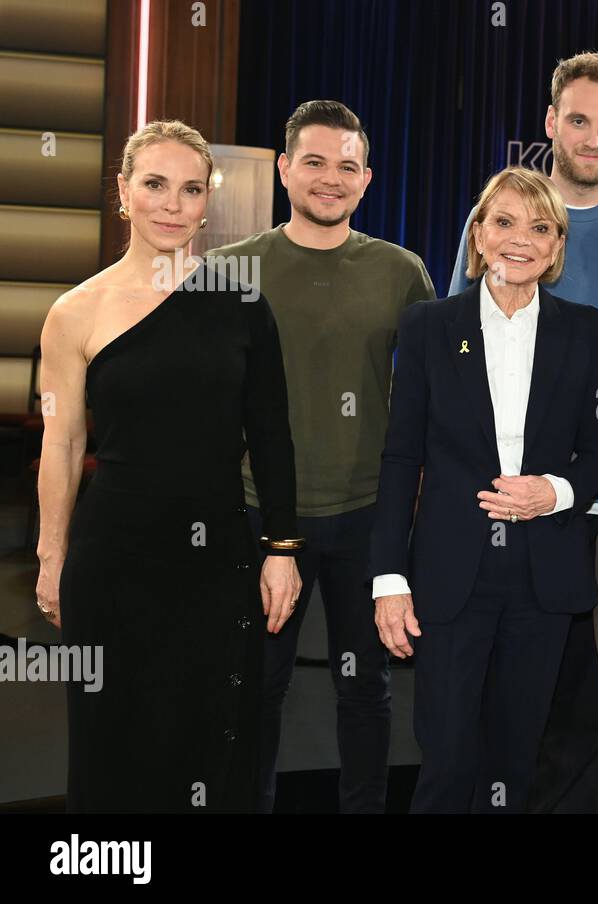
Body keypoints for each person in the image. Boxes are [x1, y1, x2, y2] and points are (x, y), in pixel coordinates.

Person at [35, 120, 301, 812]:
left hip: (216, 559)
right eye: (154, 184)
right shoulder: (73, 313)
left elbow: (272, 437)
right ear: (123, 193)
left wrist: (281, 547)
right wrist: (50, 555)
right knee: (111, 738)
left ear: (206, 202)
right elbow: (61, 444)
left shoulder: (244, 304)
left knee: (210, 736)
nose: (171, 204)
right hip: (112, 555)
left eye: (189, 189)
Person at [209, 100, 435, 815]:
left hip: (367, 515)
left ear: (366, 180)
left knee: (365, 690)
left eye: (346, 166)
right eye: (314, 162)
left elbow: (439, 390)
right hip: (256, 513)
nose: (329, 178)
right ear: (284, 169)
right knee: (258, 687)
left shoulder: (401, 272)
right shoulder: (224, 270)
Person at [369, 167, 598, 813]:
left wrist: (555, 492)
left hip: (544, 574)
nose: (521, 240)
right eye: (504, 222)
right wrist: (389, 578)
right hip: (450, 573)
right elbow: (400, 457)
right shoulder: (426, 326)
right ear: (478, 236)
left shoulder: (585, 330)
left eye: (540, 228)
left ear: (557, 247)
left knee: (517, 761)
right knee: (446, 759)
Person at [449, 52, 598, 813]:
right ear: (550, 122)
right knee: (486, 705)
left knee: (579, 712)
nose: (592, 136)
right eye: (578, 119)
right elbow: (453, 363)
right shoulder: (498, 221)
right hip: (496, 507)